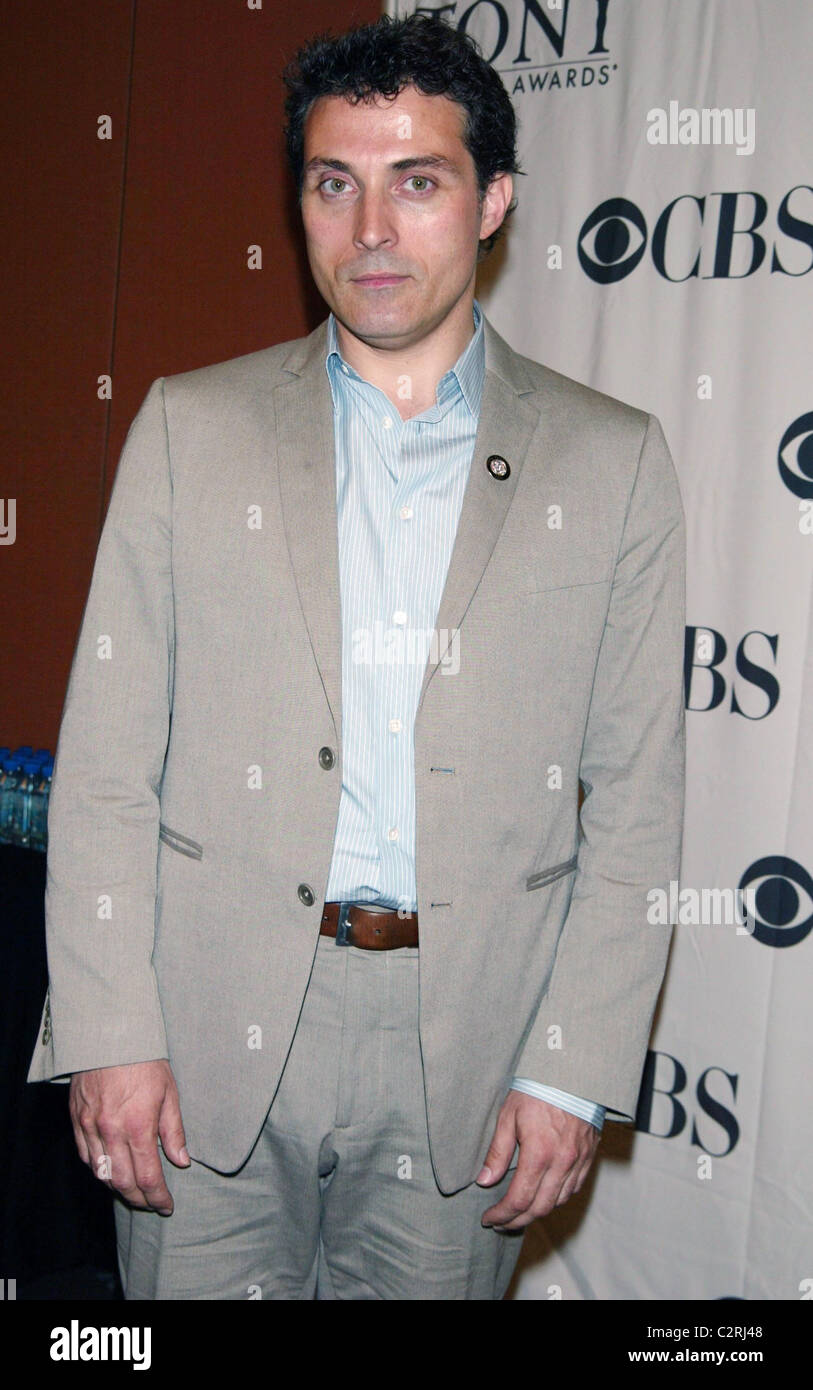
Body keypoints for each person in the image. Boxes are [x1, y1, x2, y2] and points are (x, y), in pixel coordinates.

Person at [28, 13, 685, 1300]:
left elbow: (640, 804)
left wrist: (570, 1065)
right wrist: (106, 1031)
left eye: (416, 182)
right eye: (336, 184)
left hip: (470, 1056)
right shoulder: (190, 428)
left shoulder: (612, 464)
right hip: (201, 1036)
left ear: (493, 201)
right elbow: (105, 767)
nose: (370, 229)